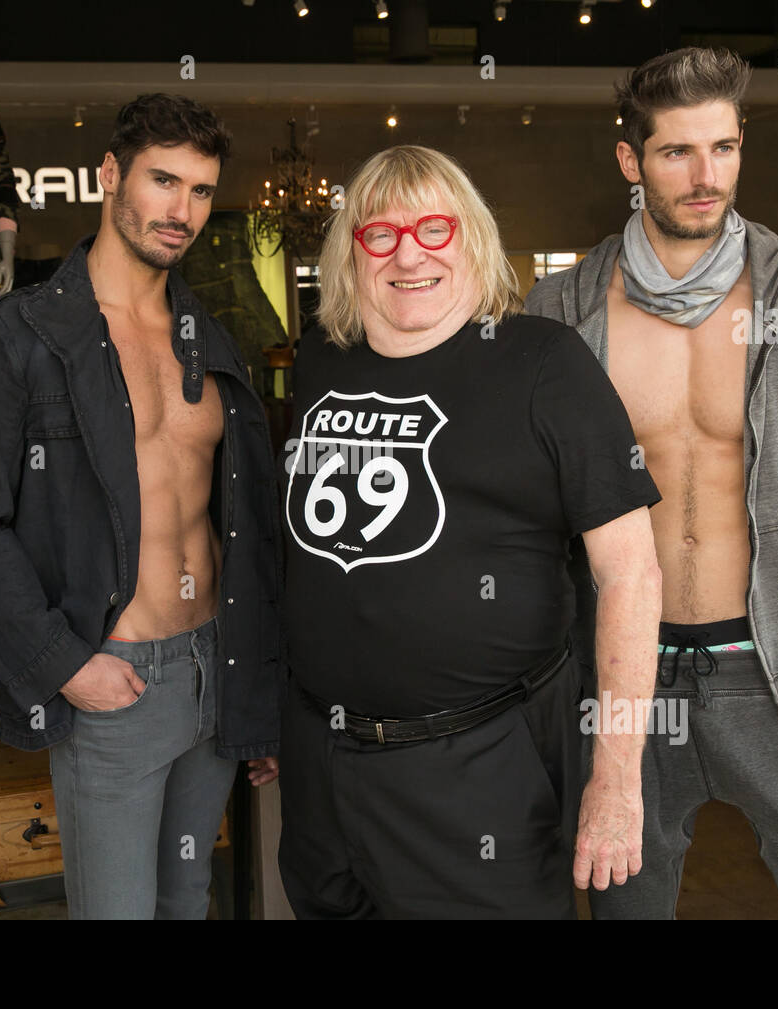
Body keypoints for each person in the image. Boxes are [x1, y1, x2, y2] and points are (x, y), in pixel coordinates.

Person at [525, 46, 778, 919]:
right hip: (624, 690)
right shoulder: (559, 315)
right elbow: (527, 524)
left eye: (724, 149)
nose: (707, 178)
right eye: (677, 153)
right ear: (630, 161)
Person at [277, 144, 663, 918]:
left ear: (472, 240)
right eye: (379, 234)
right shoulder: (320, 360)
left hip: (480, 775)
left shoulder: (544, 363)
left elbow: (630, 573)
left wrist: (617, 776)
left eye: (433, 229)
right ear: (351, 254)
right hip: (321, 766)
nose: (407, 254)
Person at [0, 93, 284, 919]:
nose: (181, 210)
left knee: (186, 897)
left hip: (215, 666)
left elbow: (250, 522)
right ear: (108, 176)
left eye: (201, 191)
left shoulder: (211, 334)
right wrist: (62, 662)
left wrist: (260, 681)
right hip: (118, 678)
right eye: (163, 180)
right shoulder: (15, 336)